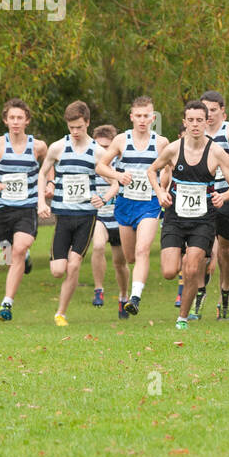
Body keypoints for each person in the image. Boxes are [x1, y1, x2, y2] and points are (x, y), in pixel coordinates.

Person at [148, 100, 229, 331]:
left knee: (192, 269)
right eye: (190, 120)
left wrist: (223, 196)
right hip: (174, 217)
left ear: (206, 122)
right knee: (170, 272)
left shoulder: (216, 152)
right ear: (184, 122)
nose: (194, 124)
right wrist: (160, 192)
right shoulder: (173, 149)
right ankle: (186, 258)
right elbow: (152, 170)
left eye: (199, 120)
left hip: (202, 220)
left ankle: (183, 317)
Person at [37, 101, 110, 326]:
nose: (75, 132)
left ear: (87, 122)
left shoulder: (98, 151)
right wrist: (41, 201)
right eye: (71, 128)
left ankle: (61, 313)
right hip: (63, 216)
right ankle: (64, 295)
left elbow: (114, 179)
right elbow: (42, 174)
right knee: (58, 270)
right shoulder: (58, 148)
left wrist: (105, 197)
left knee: (75, 263)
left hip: (87, 217)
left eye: (79, 127)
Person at [0, 98, 48, 321]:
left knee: (18, 249)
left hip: (27, 207)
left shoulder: (38, 146)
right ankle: (24, 257)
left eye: (20, 118)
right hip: (3, 208)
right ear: (5, 120)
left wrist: (50, 185)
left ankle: (6, 304)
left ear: (27, 120)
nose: (16, 122)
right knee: (9, 257)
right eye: (12, 118)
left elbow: (48, 169)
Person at [94, 96, 162, 316]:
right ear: (132, 117)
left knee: (143, 251)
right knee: (130, 257)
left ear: (153, 117)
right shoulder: (121, 141)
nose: (143, 120)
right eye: (138, 116)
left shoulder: (161, 143)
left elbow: (170, 167)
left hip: (149, 204)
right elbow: (100, 167)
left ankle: (135, 298)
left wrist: (163, 189)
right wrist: (118, 175)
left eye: (146, 116)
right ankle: (128, 293)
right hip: (125, 204)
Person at [200, 91, 229, 319]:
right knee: (198, 249)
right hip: (200, 196)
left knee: (226, 248)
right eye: (205, 109)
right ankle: (198, 292)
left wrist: (216, 154)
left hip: (226, 193)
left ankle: (225, 291)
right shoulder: (195, 129)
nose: (208, 114)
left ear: (222, 111)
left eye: (213, 110)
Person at [89, 124, 130, 318]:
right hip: (101, 218)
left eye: (106, 147)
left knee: (120, 263)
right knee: (97, 246)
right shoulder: (92, 167)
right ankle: (99, 289)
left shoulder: (122, 167)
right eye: (99, 147)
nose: (102, 151)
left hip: (120, 219)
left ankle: (123, 297)